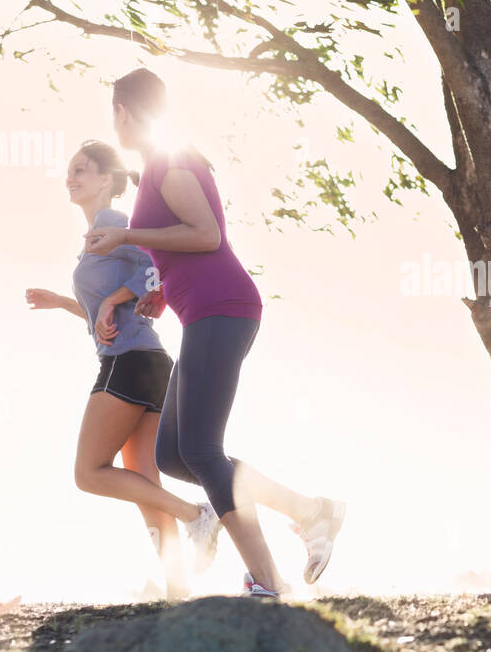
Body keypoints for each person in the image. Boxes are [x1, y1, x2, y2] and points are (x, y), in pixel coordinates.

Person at [84, 68, 345, 599]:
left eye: (114, 114)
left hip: (222, 308)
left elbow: (206, 234)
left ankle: (269, 582)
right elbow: (187, 243)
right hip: (206, 309)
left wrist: (126, 235)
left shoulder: (167, 160)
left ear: (124, 112)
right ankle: (310, 512)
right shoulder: (165, 161)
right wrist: (160, 290)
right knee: (175, 455)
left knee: (201, 448)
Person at [25, 140, 224, 601]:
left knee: (90, 473)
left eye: (81, 170)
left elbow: (159, 265)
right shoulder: (98, 233)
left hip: (129, 364)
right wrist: (67, 304)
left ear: (106, 180)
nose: (70, 178)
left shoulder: (114, 224)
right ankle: (178, 590)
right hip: (148, 362)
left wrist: (115, 298)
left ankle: (197, 515)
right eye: (68, 171)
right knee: (143, 486)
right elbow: (112, 318)